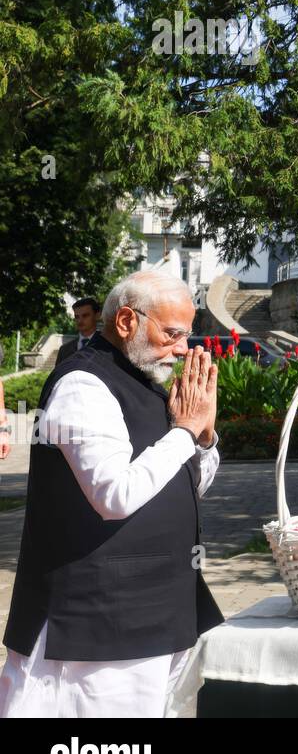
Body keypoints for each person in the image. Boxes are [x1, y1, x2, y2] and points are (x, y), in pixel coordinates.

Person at [0, 270, 224, 718]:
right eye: (173, 333)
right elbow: (114, 494)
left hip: (157, 610)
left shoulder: (145, 381)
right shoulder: (82, 385)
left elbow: (183, 486)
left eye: (186, 335)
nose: (183, 348)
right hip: (95, 625)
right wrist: (183, 432)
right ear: (126, 321)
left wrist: (203, 437)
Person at [56, 297, 102, 363]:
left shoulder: (107, 346)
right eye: (77, 317)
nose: (80, 321)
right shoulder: (64, 350)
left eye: (85, 316)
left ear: (97, 316)